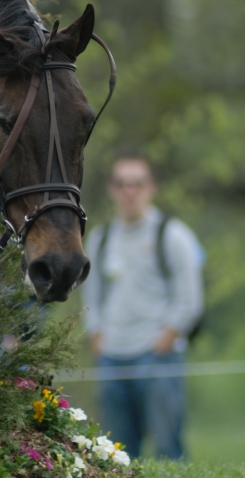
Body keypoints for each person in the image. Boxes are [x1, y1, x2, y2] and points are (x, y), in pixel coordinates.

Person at [82, 157, 204, 460]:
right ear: (112, 189)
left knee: (167, 448)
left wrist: (165, 339)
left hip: (158, 356)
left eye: (137, 184)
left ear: (151, 187)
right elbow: (91, 296)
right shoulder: (100, 238)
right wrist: (96, 336)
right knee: (117, 454)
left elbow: (190, 298)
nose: (130, 191)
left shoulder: (173, 234)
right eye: (122, 184)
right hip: (112, 358)